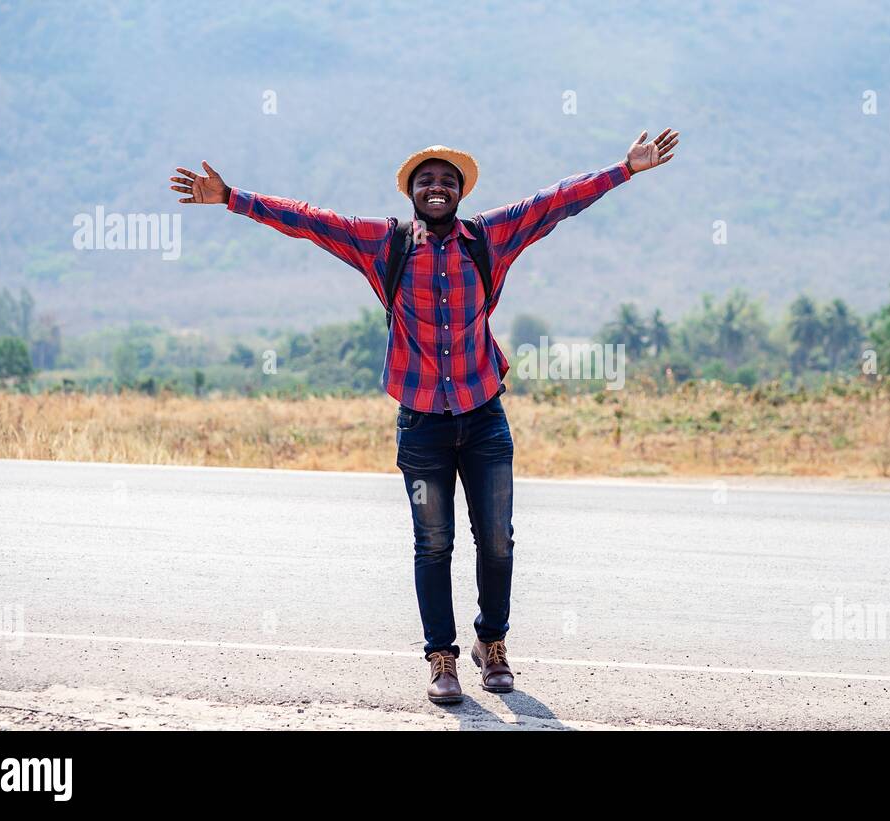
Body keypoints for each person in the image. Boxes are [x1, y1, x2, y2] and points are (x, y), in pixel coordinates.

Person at [169, 128, 680, 704]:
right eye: (426, 180)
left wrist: (626, 168)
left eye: (447, 180)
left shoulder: (489, 237)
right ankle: (442, 658)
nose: (436, 187)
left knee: (498, 540)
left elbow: (556, 201)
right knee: (432, 543)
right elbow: (309, 219)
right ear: (411, 192)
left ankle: (494, 645)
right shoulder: (383, 245)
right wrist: (233, 197)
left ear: (460, 192)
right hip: (421, 427)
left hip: (484, 416)